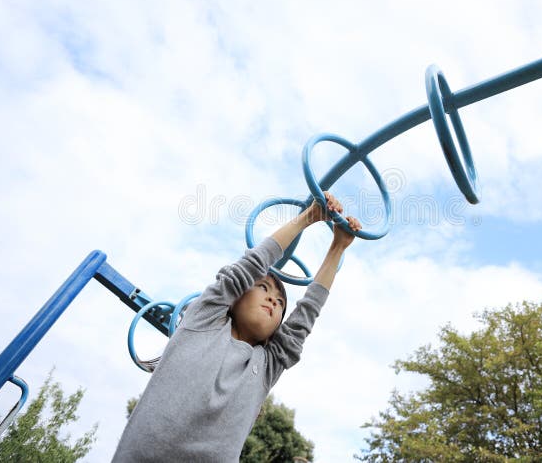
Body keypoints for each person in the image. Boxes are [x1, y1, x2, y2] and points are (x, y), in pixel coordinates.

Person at [112, 192, 362, 462]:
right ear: (236, 296)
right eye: (263, 288)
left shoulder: (266, 365)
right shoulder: (204, 320)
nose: (272, 299)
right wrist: (308, 217)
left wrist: (338, 247)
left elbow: (307, 313)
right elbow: (252, 265)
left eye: (280, 302)